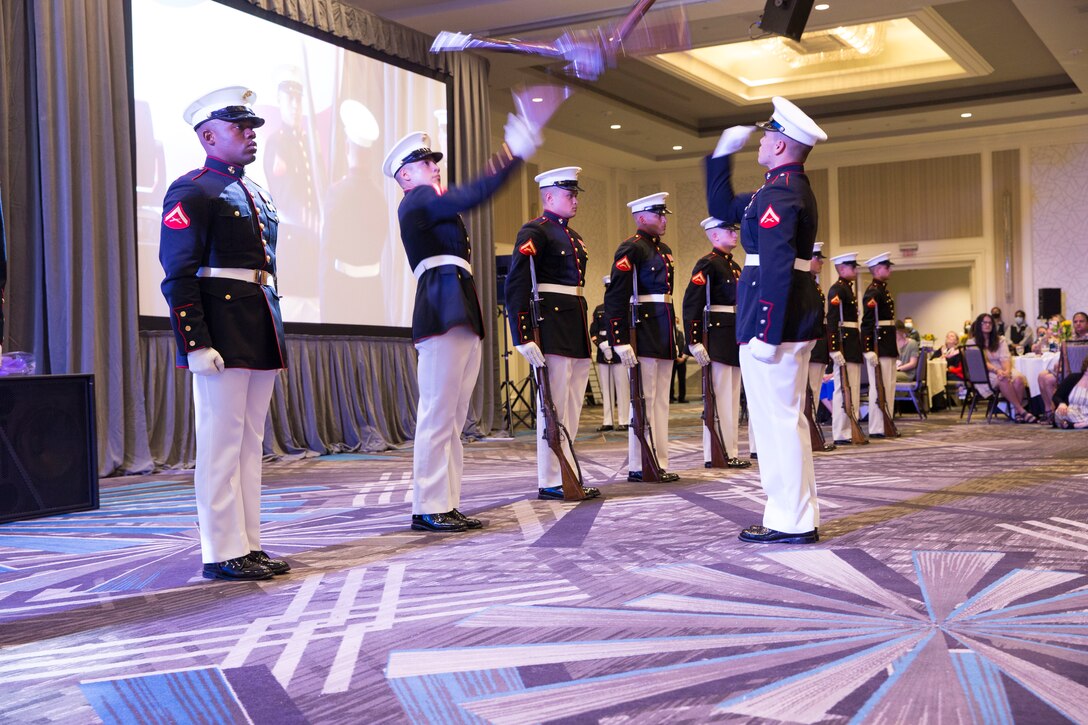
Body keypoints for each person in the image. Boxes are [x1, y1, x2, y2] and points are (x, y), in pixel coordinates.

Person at [383, 113, 541, 532]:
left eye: (434, 160)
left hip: (457, 305)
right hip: (441, 306)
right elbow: (472, 193)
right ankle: (429, 504)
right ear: (405, 175)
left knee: (453, 414)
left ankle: (444, 501)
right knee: (439, 411)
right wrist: (509, 155)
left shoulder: (428, 200)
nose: (436, 166)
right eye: (425, 162)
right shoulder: (417, 200)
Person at [159, 86, 290, 581]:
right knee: (220, 443)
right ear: (209, 136)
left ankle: (248, 543)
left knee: (249, 442)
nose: (251, 135)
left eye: (253, 127)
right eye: (241, 128)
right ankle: (220, 548)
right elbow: (178, 273)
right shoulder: (191, 189)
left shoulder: (255, 192)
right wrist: (194, 341)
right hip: (220, 327)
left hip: (258, 323)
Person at [705, 96, 826, 545]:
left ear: (779, 146)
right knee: (785, 421)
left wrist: (764, 331)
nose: (760, 141)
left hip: (774, 320)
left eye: (765, 136)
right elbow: (722, 206)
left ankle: (788, 519)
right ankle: (797, 514)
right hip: (783, 317)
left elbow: (775, 265)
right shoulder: (778, 188)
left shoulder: (780, 194)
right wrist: (721, 156)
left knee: (777, 423)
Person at [505, 166, 600, 501]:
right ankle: (550, 478)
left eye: (575, 194)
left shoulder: (574, 237)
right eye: (568, 194)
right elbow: (517, 282)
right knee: (553, 406)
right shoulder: (536, 230)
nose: (575, 200)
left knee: (572, 405)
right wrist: (522, 334)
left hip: (572, 324)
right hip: (549, 324)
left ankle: (568, 471)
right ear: (548, 197)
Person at [604, 192, 681, 483]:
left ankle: (658, 461)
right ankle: (640, 463)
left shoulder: (664, 249)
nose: (663, 220)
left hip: (663, 332)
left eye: (664, 215)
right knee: (644, 398)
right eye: (658, 215)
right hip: (644, 329)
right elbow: (616, 295)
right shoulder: (631, 248)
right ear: (640, 218)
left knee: (661, 401)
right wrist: (619, 338)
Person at [682, 217, 751, 469]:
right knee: (720, 398)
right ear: (713, 236)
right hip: (717, 336)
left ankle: (729, 450)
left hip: (732, 336)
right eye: (728, 230)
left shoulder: (734, 266)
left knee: (732, 397)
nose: (734, 234)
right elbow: (692, 304)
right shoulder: (708, 264)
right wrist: (694, 340)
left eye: (735, 230)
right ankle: (715, 452)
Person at [827, 252, 864, 445]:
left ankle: (851, 426)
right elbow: (832, 320)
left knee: (853, 388)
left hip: (851, 343)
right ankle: (841, 432)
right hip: (844, 343)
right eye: (852, 266)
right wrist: (833, 348)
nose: (855, 270)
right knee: (842, 389)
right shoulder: (837, 290)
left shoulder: (847, 289)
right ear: (841, 269)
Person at [972, 312, 1034, 422]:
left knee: (1019, 378)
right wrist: (998, 371)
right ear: (979, 325)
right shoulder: (972, 342)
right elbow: (982, 362)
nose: (987, 325)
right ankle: (1021, 410)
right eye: (984, 323)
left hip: (1003, 368)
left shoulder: (1000, 340)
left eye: (990, 323)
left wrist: (1007, 371)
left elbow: (1005, 358)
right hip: (986, 373)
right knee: (1003, 379)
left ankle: (1016, 413)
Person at [862, 252, 898, 438]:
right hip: (879, 343)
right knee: (879, 386)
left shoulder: (883, 289)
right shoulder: (873, 292)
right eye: (886, 266)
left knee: (889, 385)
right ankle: (877, 427)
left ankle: (887, 422)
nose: (889, 269)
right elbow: (867, 322)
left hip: (888, 343)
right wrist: (867, 349)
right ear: (876, 270)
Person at [590, 276, 630, 432]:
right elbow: (593, 330)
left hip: (619, 352)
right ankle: (607, 420)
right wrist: (601, 344)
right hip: (602, 352)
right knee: (605, 388)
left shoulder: (623, 308)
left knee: (622, 387)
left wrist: (614, 344)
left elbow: (626, 330)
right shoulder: (599, 309)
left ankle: (624, 419)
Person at [806, 242, 834, 451]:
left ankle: (812, 433)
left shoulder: (813, 284)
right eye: (817, 257)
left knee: (814, 392)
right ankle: (809, 434)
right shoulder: (804, 284)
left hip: (818, 344)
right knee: (809, 391)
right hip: (810, 345)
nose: (821, 261)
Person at [1038, 311, 1088, 422]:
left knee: (1048, 379)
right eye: (1075, 322)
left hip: (1082, 374)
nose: (1078, 324)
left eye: (1081, 321)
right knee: (1042, 376)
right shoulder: (1070, 337)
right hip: (1067, 370)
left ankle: (1059, 411)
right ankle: (1049, 412)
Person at [1053, 356, 1088, 429]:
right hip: (1070, 412)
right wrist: (1061, 403)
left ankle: (1074, 425)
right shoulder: (1072, 378)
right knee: (1059, 413)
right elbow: (1056, 396)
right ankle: (1083, 424)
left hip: (1086, 413)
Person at [670, 319, 689, 403]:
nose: (676, 324)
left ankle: (682, 397)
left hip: (682, 360)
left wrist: (684, 358)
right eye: (675, 322)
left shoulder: (682, 334)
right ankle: (670, 397)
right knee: (671, 379)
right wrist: (675, 357)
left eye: (678, 322)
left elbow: (687, 345)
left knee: (682, 379)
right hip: (672, 360)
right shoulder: (670, 333)